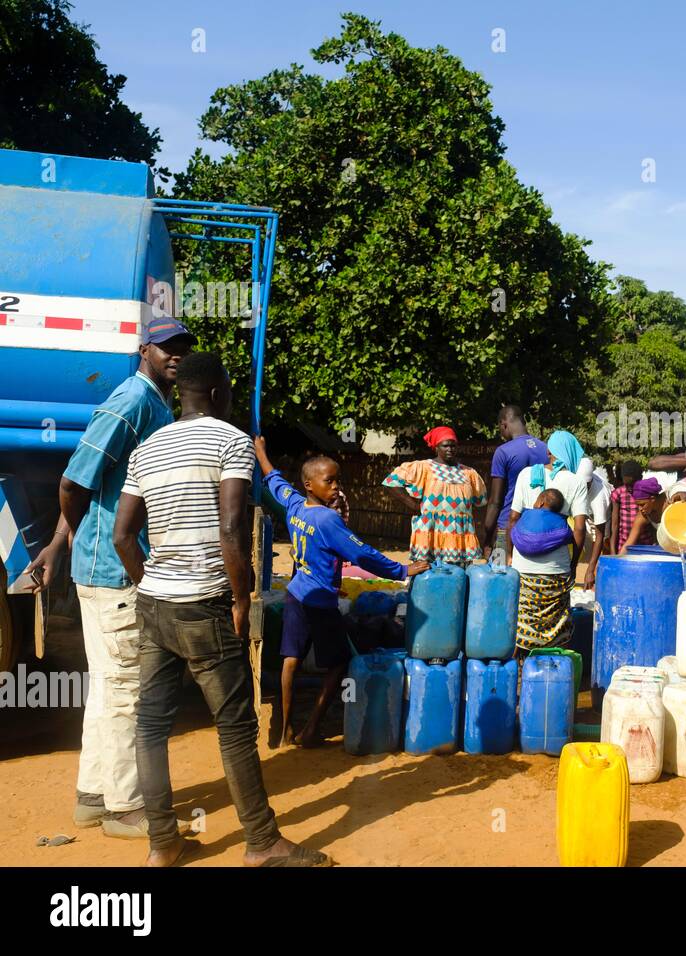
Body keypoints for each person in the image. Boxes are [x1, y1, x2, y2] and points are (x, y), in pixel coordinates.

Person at [113, 352, 329, 866]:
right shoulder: (229, 440)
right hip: (207, 603)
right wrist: (240, 596)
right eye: (228, 389)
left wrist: (154, 584)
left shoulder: (146, 449)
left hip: (154, 606)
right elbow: (233, 528)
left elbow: (123, 536)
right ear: (215, 394)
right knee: (233, 725)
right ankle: (261, 843)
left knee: (150, 726)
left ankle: (162, 845)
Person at [23, 314, 195, 839]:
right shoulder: (132, 401)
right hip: (114, 570)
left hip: (107, 566)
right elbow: (76, 477)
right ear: (144, 349)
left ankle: (94, 796)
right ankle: (125, 808)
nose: (176, 356)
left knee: (106, 687)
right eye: (166, 347)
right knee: (126, 690)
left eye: (183, 348)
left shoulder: (155, 403)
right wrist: (58, 541)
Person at [254, 437, 428, 748]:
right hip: (320, 600)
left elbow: (274, 479)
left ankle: (285, 727)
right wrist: (403, 570)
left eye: (338, 480)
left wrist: (261, 453)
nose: (336, 487)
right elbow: (363, 555)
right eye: (329, 481)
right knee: (339, 663)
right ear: (310, 484)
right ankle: (311, 729)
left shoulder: (295, 505)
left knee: (290, 659)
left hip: (296, 593)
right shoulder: (328, 520)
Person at [509, 431, 590, 653]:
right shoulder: (576, 482)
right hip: (557, 568)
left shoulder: (526, 475)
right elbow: (580, 528)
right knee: (558, 624)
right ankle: (557, 668)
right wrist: (573, 564)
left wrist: (510, 554)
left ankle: (517, 672)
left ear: (548, 453)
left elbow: (513, 519)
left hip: (523, 565)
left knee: (521, 620)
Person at [383, 426, 487, 566]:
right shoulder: (423, 468)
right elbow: (390, 482)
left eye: (453, 445)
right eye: (445, 445)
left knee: (458, 578)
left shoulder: (469, 473)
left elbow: (480, 500)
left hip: (459, 535)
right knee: (428, 576)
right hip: (430, 532)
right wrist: (412, 505)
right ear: (436, 447)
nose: (450, 449)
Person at [483, 405, 549, 561]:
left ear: (504, 424)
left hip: (507, 528)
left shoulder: (503, 451)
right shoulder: (546, 449)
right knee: (528, 579)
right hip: (537, 527)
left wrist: (487, 539)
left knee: (502, 579)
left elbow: (495, 501)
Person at [576, 457, 611, 589]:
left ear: (590, 483)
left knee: (604, 543)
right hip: (587, 512)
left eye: (585, 486)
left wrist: (590, 570)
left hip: (603, 517)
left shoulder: (599, 499)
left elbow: (600, 535)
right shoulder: (579, 481)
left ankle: (602, 579)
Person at [617, 479, 667, 555]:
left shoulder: (670, 504)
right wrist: (618, 561)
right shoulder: (642, 516)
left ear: (652, 499)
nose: (640, 509)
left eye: (642, 504)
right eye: (638, 505)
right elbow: (629, 543)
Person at [608, 461, 648, 552]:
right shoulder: (618, 494)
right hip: (624, 546)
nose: (629, 488)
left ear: (640, 479)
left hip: (645, 546)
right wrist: (613, 550)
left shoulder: (647, 493)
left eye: (632, 484)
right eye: (626, 485)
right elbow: (614, 525)